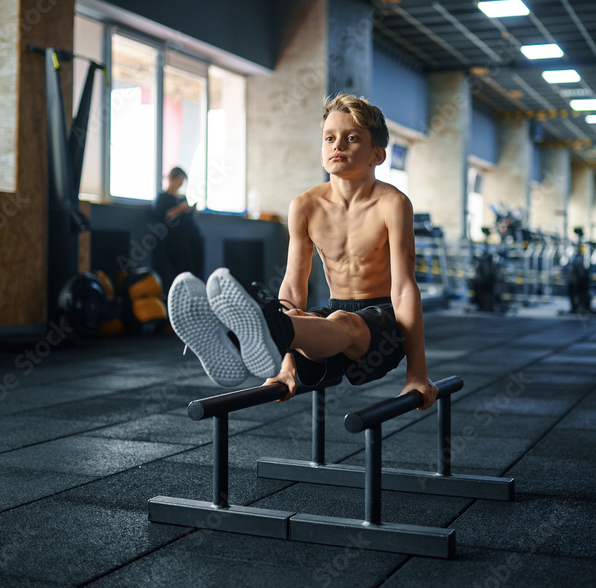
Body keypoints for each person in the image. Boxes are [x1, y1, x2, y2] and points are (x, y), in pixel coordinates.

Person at [167, 95, 438, 410]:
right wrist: (287, 367)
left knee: (341, 321)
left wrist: (417, 372)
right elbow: (294, 283)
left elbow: (405, 288)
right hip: (330, 326)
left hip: (384, 327)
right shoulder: (305, 205)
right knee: (299, 315)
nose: (338, 145)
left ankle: (257, 328)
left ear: (377, 155)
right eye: (329, 138)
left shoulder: (393, 203)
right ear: (322, 151)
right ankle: (234, 336)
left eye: (352, 138)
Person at [154, 167, 204, 279]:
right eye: (179, 181)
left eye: (182, 182)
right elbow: (165, 216)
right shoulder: (163, 198)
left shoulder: (182, 198)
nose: (180, 185)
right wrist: (181, 208)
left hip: (193, 238)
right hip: (177, 241)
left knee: (196, 269)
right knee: (184, 269)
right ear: (172, 178)